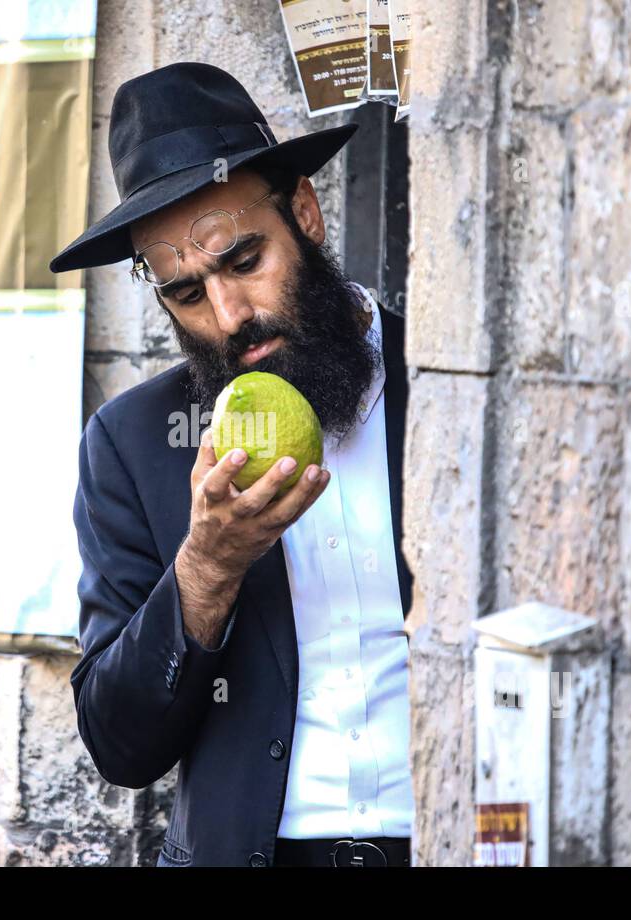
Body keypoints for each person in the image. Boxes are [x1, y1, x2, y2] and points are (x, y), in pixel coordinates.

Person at [49, 61, 415, 867]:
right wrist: (205, 570)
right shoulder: (133, 444)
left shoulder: (441, 382)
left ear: (307, 215)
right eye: (186, 293)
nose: (230, 315)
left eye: (245, 260)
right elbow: (120, 747)